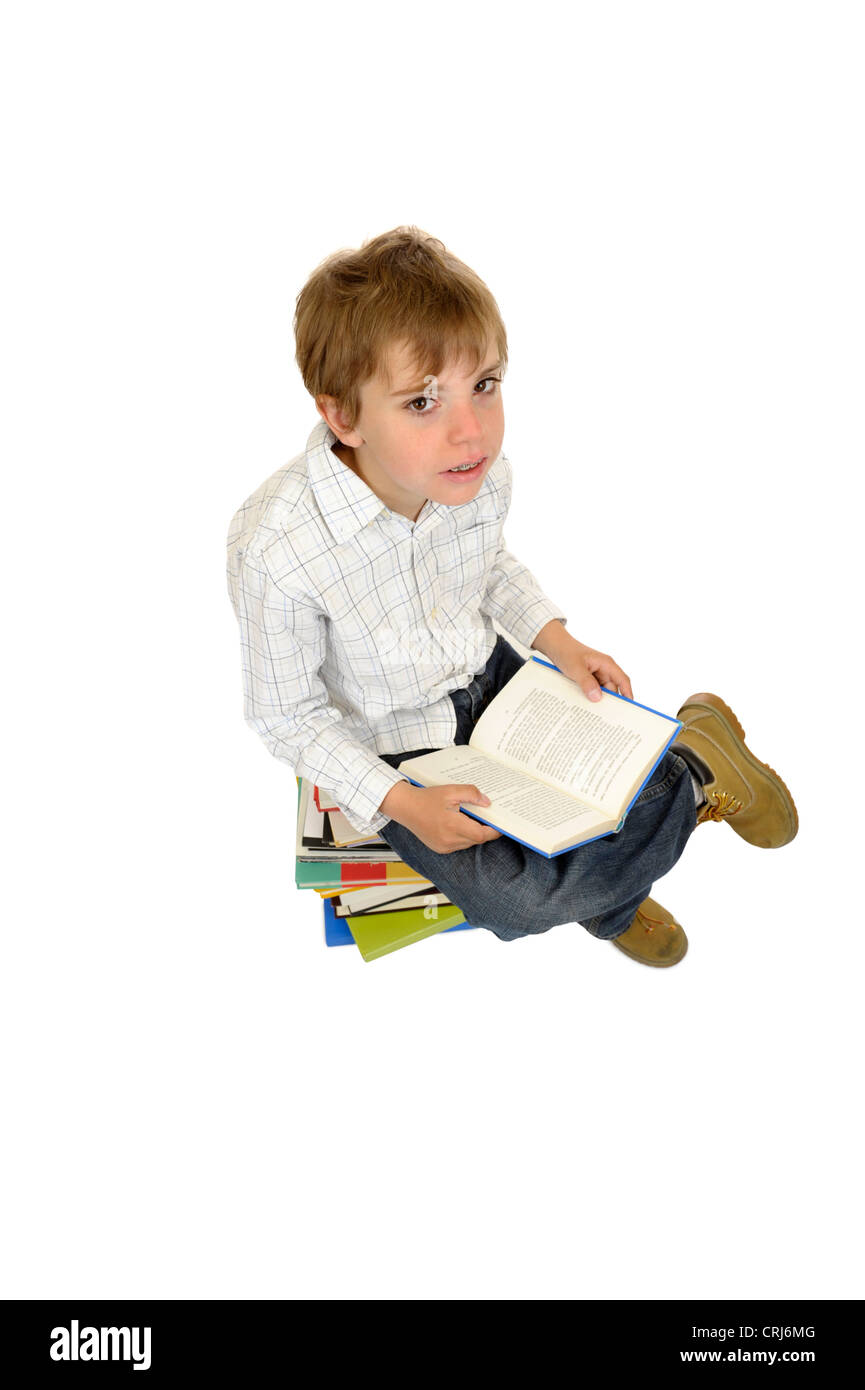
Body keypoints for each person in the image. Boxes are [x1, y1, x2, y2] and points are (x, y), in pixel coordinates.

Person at [226, 226, 798, 967]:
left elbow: (489, 565)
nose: (471, 432)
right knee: (512, 903)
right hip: (397, 742)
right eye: (422, 401)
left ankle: (638, 845)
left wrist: (556, 639)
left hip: (490, 679)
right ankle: (679, 792)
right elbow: (286, 715)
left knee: (597, 791)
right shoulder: (277, 545)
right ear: (343, 418)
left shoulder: (475, 475)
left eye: (485, 386)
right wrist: (403, 803)